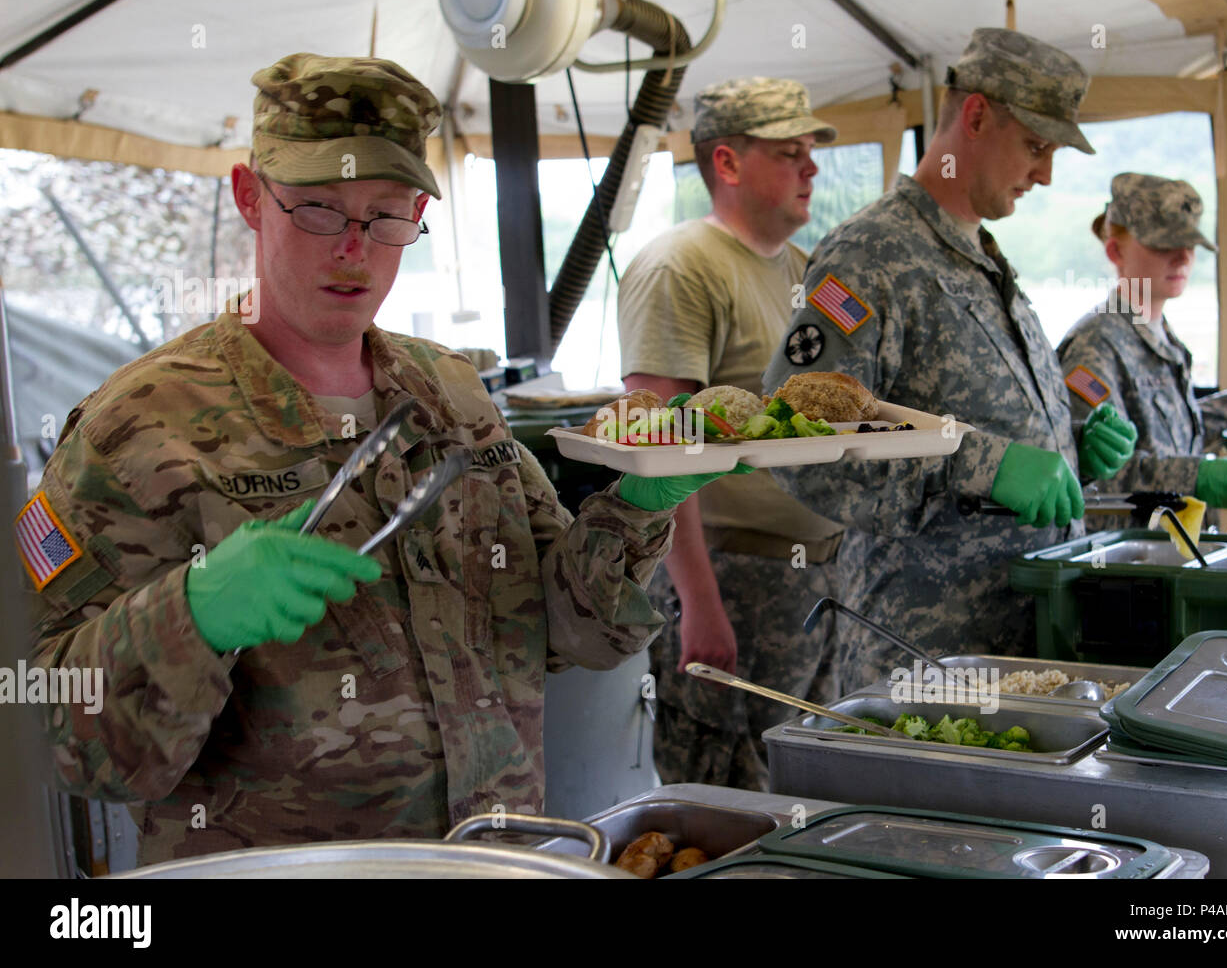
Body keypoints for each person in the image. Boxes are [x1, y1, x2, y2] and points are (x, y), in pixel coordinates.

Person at [16, 53, 734, 865]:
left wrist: (636, 507)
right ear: (251, 197)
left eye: (388, 216)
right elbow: (43, 723)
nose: (354, 250)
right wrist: (191, 617)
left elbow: (569, 633)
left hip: (490, 863)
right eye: (319, 210)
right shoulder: (136, 430)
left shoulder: (451, 397)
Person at [761, 29, 1132, 692]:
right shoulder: (872, 254)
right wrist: (988, 464)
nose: (1045, 174)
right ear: (978, 115)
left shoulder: (983, 257)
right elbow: (792, 435)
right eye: (1037, 146)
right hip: (921, 666)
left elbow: (956, 411)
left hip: (1013, 648)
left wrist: (1070, 447)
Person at [617, 78, 843, 790]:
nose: (810, 168)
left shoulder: (810, 273)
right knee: (728, 803)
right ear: (727, 163)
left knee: (807, 789)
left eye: (811, 152)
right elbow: (658, 449)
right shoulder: (680, 267)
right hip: (732, 577)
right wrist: (700, 604)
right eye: (789, 152)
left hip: (819, 579)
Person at [1056, 172, 1227, 524]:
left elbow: (1182, 428)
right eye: (1164, 244)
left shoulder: (1159, 335)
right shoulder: (1095, 346)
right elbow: (1096, 476)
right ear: (1115, 250)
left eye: (1189, 243)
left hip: (1175, 547)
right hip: (1126, 560)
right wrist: (1196, 476)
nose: (1183, 256)